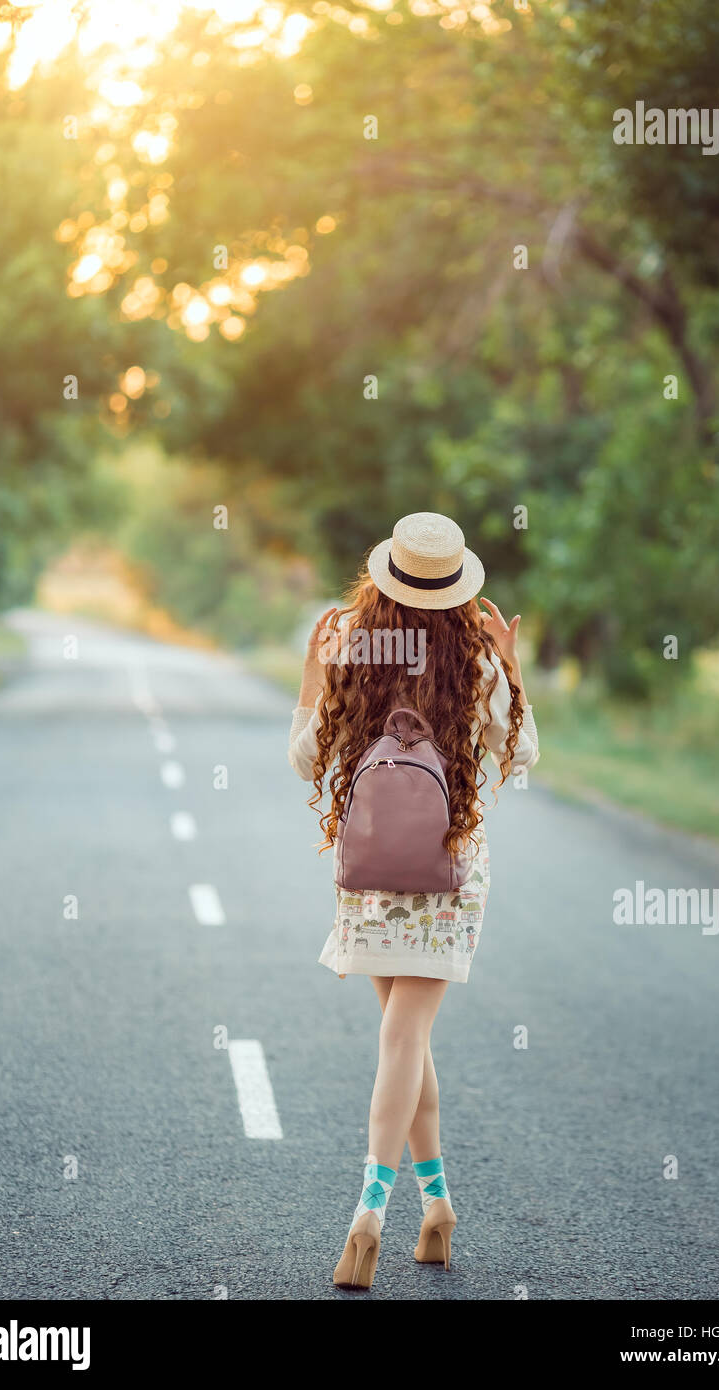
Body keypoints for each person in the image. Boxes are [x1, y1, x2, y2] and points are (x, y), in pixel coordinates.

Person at [287, 512, 540, 1290]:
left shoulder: (357, 657)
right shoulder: (477, 665)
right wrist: (512, 668)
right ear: (457, 590)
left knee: (404, 1039)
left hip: (370, 874)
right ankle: (399, 1211)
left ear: (384, 583)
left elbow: (304, 764)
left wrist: (311, 673)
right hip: (450, 874)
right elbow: (523, 757)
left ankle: (408, 1211)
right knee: (409, 1041)